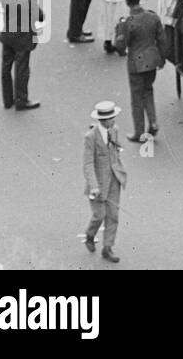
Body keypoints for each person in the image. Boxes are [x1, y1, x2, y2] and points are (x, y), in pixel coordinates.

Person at [113, 0, 167, 141]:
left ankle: (139, 132)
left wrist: (119, 36)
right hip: (152, 60)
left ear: (127, 1)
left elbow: (120, 46)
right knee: (148, 91)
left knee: (137, 97)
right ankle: (153, 122)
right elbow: (162, 40)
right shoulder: (153, 17)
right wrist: (162, 59)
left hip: (136, 64)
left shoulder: (127, 22)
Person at [83, 100, 128, 262]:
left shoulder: (114, 130)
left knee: (113, 215)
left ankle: (107, 248)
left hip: (114, 179)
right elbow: (88, 164)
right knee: (99, 215)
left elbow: (115, 150)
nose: (114, 120)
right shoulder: (91, 137)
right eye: (111, 118)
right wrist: (94, 186)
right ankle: (90, 235)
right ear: (102, 120)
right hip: (99, 184)